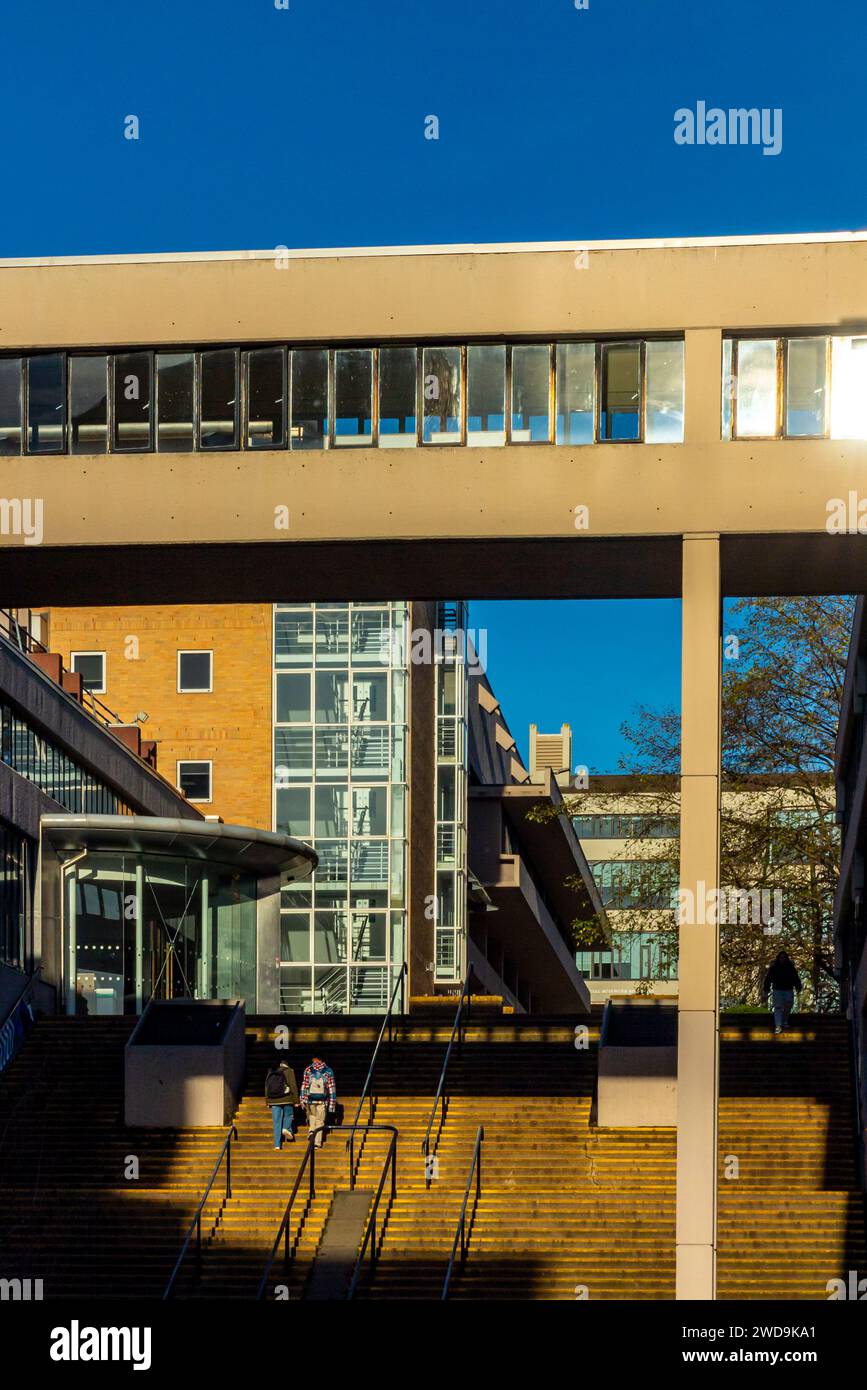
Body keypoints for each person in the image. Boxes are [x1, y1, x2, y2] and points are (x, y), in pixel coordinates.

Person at [762, 951, 804, 1034]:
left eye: (784, 957)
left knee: (788, 1004)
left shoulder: (790, 967)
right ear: (778, 958)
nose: (782, 959)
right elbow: (768, 978)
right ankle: (778, 1025)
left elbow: (795, 977)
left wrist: (798, 987)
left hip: (788, 989)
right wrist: (766, 989)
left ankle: (784, 1021)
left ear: (786, 958)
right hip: (777, 990)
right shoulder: (774, 967)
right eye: (781, 957)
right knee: (778, 1007)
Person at [300, 1055, 337, 1148]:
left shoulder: (308, 1070)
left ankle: (312, 1131)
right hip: (322, 1101)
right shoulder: (328, 1071)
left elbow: (304, 1085)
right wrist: (332, 1104)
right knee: (320, 1121)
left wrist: (302, 1099)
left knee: (312, 1116)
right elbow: (331, 1088)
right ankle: (317, 1142)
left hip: (310, 1100)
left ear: (315, 1059)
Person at [265, 1061, 300, 1149]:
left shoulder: (271, 1070)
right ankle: (286, 1128)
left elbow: (266, 1086)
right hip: (287, 1099)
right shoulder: (289, 1071)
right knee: (288, 1115)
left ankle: (277, 1145)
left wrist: (267, 1101)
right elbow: (293, 1086)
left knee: (276, 1122)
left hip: (273, 1100)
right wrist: (296, 1101)